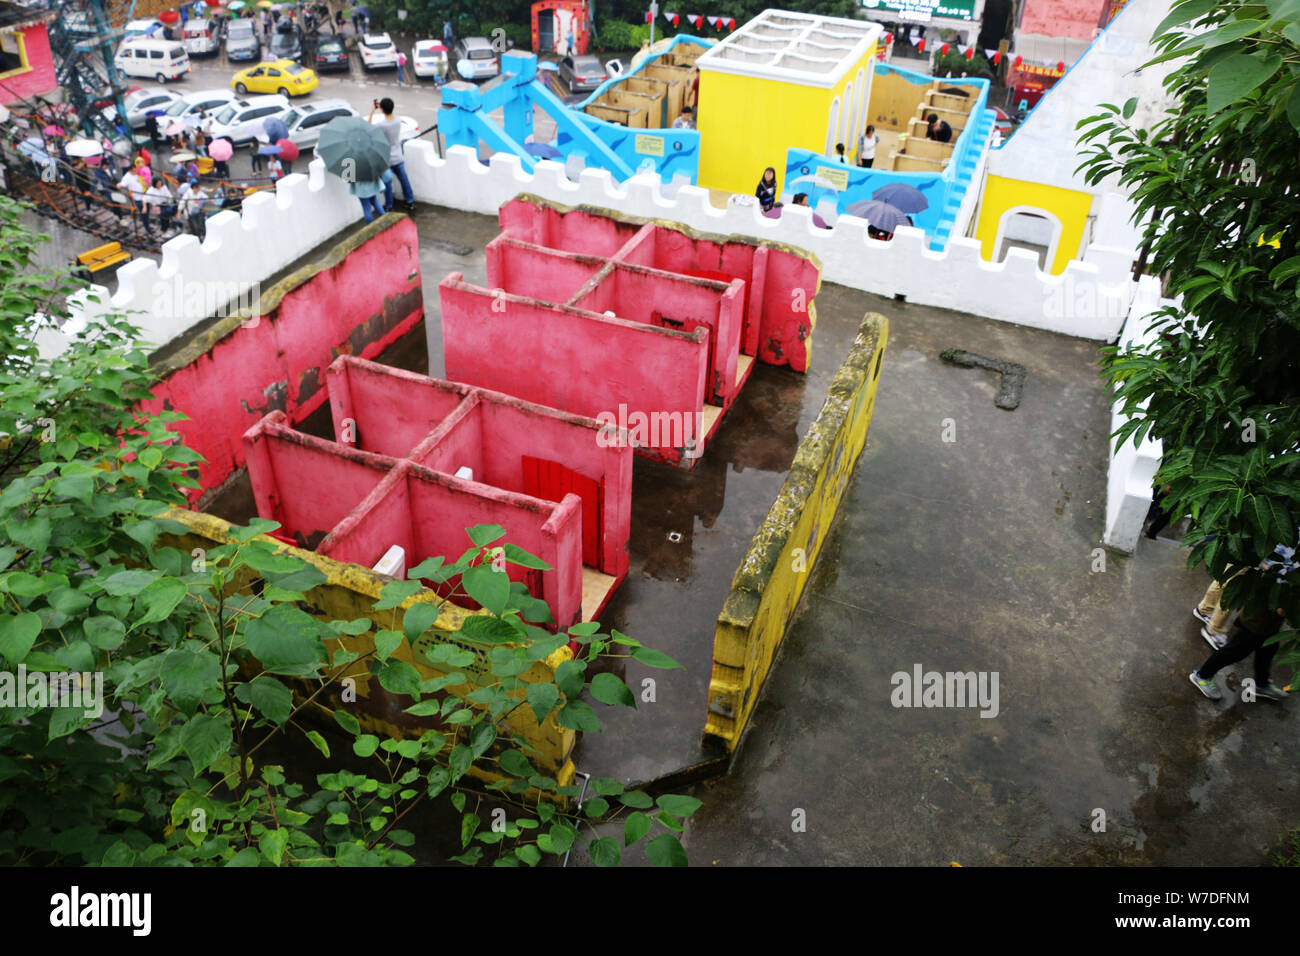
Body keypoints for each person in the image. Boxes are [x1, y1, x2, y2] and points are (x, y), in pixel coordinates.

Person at [368, 97, 415, 211]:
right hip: (398, 156)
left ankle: (389, 206)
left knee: (388, 183)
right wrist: (383, 106)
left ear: (382, 109)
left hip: (387, 159)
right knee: (404, 180)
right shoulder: (398, 120)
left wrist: (372, 111)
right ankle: (410, 201)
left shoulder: (382, 125)